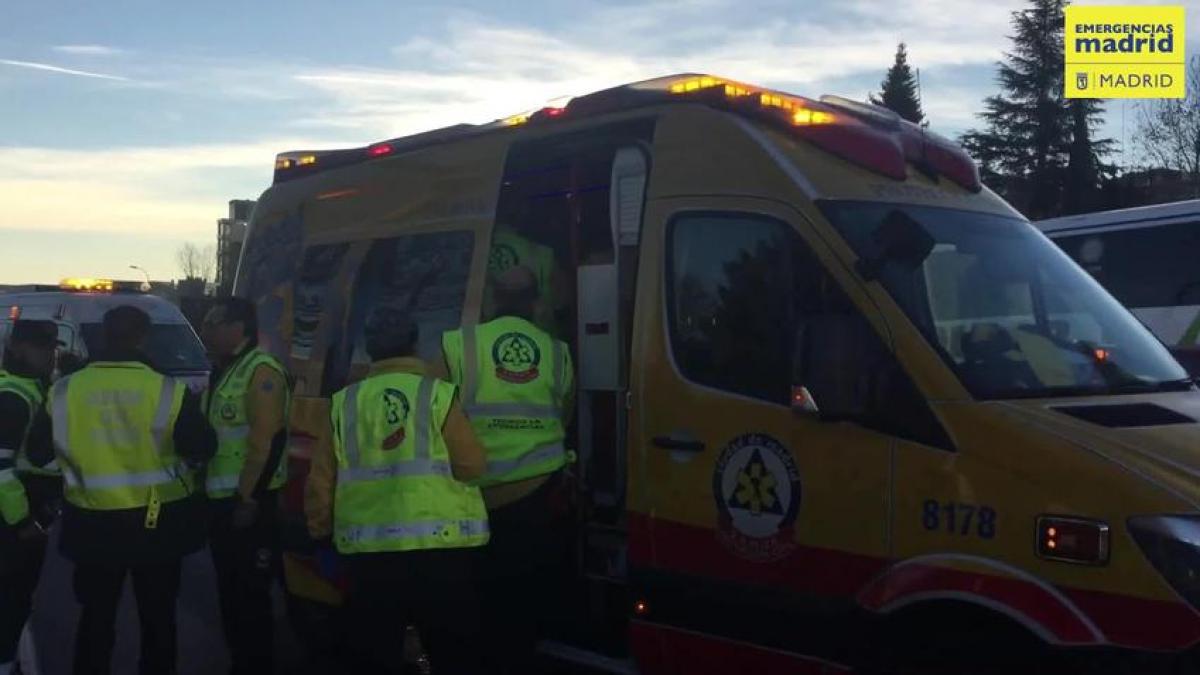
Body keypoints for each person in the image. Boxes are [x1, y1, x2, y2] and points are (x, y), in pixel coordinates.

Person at [306, 309, 490, 675]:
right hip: (442, 554)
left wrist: (320, 535)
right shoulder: (438, 395)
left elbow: (320, 482)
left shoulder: (344, 404)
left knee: (376, 654)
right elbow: (472, 465)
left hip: (370, 559)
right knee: (454, 654)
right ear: (413, 344)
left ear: (370, 350)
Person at [48, 305, 215, 675]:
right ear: (143, 337)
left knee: (95, 619)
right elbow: (203, 448)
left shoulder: (63, 391)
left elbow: (39, 455)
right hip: (157, 526)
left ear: (104, 336)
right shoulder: (169, 391)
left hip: (90, 524)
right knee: (158, 620)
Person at [436, 265, 575, 674]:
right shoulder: (556, 351)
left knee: (474, 600)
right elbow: (563, 415)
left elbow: (436, 414)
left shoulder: (457, 345)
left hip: (470, 495)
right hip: (533, 497)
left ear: (493, 300)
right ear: (534, 302)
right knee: (521, 605)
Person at [199, 297, 290, 675]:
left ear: (239, 327)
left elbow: (268, 442)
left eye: (214, 323)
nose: (206, 330)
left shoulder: (261, 371)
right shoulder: (223, 370)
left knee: (251, 596)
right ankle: (241, 663)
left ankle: (256, 665)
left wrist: (248, 499)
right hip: (221, 502)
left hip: (250, 503)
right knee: (230, 595)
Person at [0, 320, 59, 675]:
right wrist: (22, 521)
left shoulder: (28, 388)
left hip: (22, 515)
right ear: (17, 348)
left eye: (50, 347)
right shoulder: (13, 397)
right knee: (11, 600)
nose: (48, 354)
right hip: (11, 521)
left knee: (16, 599)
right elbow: (1, 466)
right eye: (39, 347)